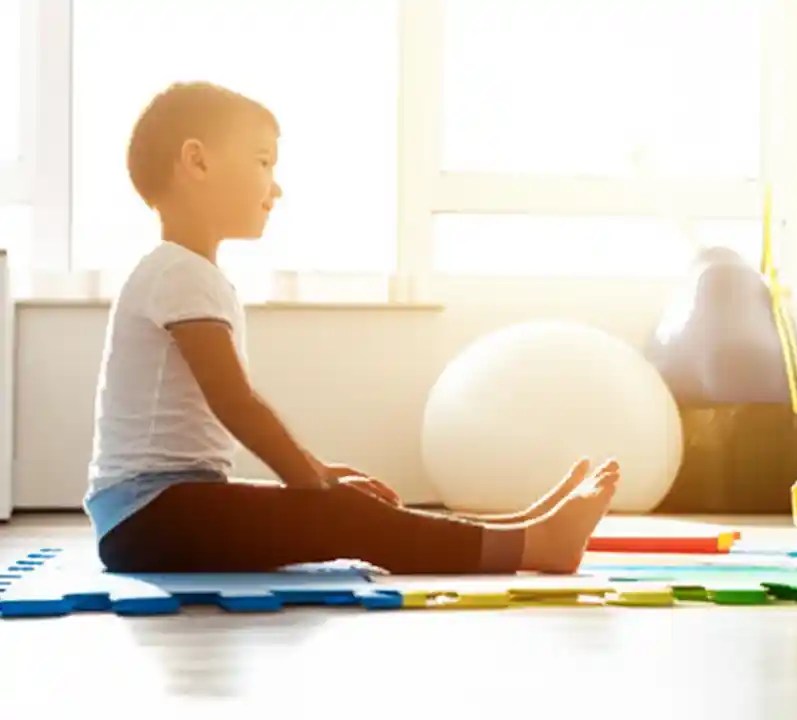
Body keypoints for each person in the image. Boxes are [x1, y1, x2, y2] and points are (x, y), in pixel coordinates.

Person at [84, 81, 620, 574]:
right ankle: (533, 545)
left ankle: (518, 529)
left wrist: (316, 475)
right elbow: (235, 403)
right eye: (263, 161)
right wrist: (310, 482)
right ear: (197, 162)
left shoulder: (183, 273)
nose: (276, 187)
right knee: (340, 514)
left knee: (346, 505)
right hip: (148, 518)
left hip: (157, 512)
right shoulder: (180, 272)